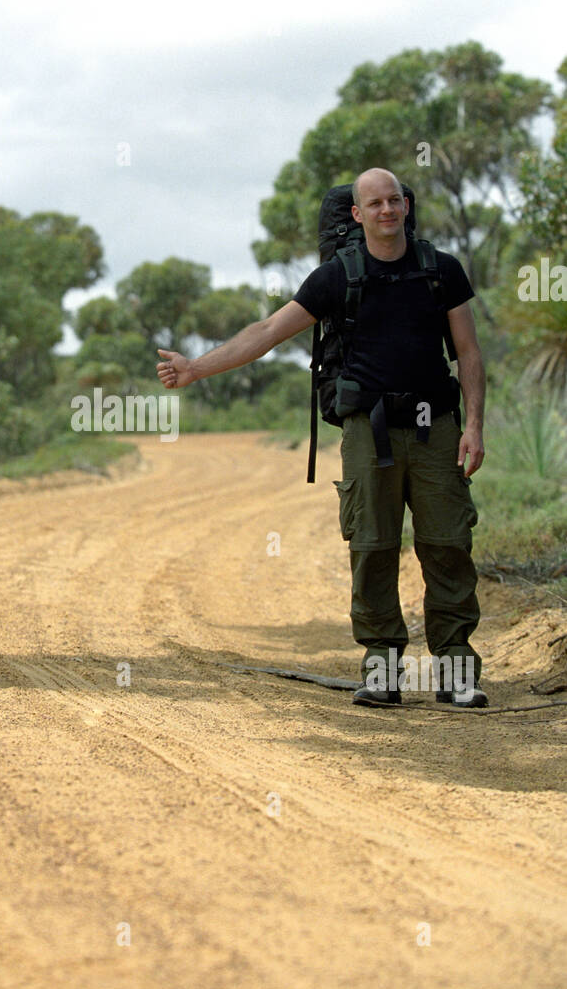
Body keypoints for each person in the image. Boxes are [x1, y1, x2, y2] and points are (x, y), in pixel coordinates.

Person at [156, 167, 488, 709]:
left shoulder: (440, 270)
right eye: (374, 204)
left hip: (438, 429)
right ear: (357, 215)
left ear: (406, 205)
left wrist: (473, 426)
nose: (386, 210)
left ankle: (456, 672)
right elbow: (266, 333)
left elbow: (468, 354)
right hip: (368, 433)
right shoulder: (338, 276)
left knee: (448, 547)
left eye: (394, 201)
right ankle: (382, 670)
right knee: (373, 548)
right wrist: (196, 368)